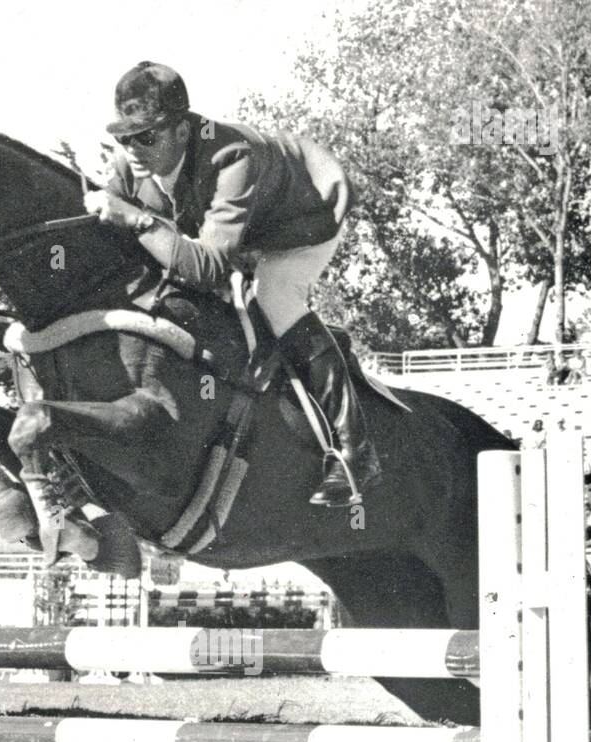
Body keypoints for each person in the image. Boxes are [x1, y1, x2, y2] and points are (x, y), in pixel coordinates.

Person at [83, 61, 378, 507]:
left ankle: (356, 452)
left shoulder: (232, 157)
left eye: (146, 137)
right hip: (242, 224)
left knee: (274, 296)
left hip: (306, 213)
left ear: (182, 131)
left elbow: (206, 268)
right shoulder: (130, 166)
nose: (133, 149)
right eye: (125, 137)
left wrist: (138, 219)